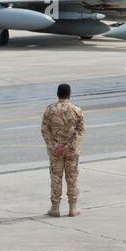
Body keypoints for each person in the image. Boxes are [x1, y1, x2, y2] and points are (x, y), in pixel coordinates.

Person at [41, 83, 85, 217]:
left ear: (57, 94)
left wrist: (53, 146)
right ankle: (73, 208)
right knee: (72, 177)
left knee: (56, 178)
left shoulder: (50, 110)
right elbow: (80, 131)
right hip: (71, 151)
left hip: (56, 151)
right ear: (69, 94)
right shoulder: (76, 110)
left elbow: (44, 130)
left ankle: (55, 208)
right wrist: (70, 146)